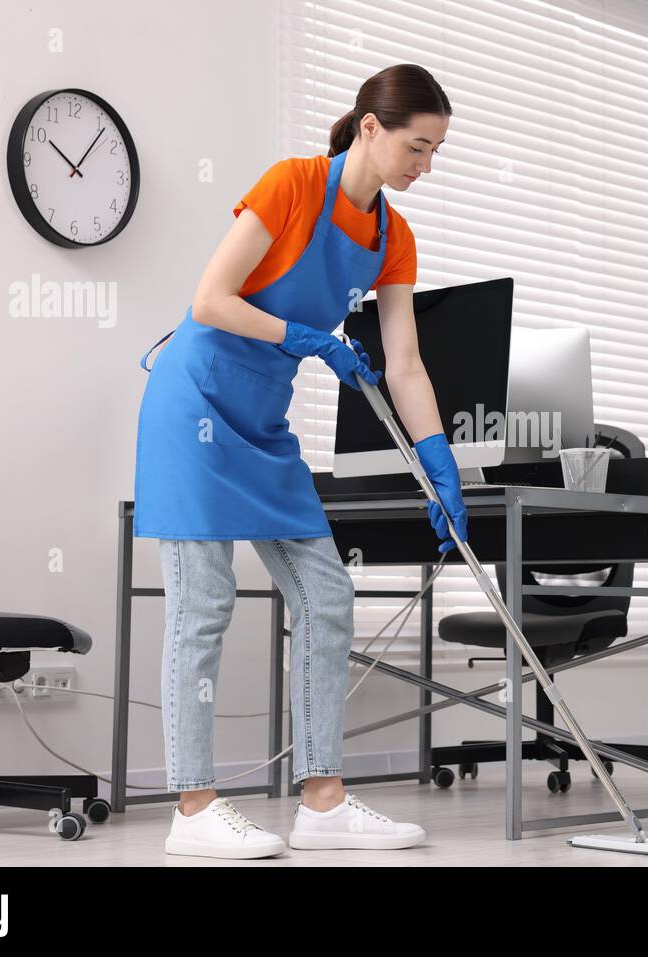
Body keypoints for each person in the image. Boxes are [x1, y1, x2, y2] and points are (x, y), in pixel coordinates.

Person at [132, 64, 467, 859]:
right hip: (195, 407)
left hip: (262, 423)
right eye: (418, 147)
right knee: (202, 605)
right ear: (371, 128)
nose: (425, 166)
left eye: (436, 152)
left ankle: (322, 801)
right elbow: (210, 298)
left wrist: (439, 463)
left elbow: (406, 364)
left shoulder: (393, 236)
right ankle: (193, 807)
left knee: (326, 593)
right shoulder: (291, 185)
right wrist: (307, 339)